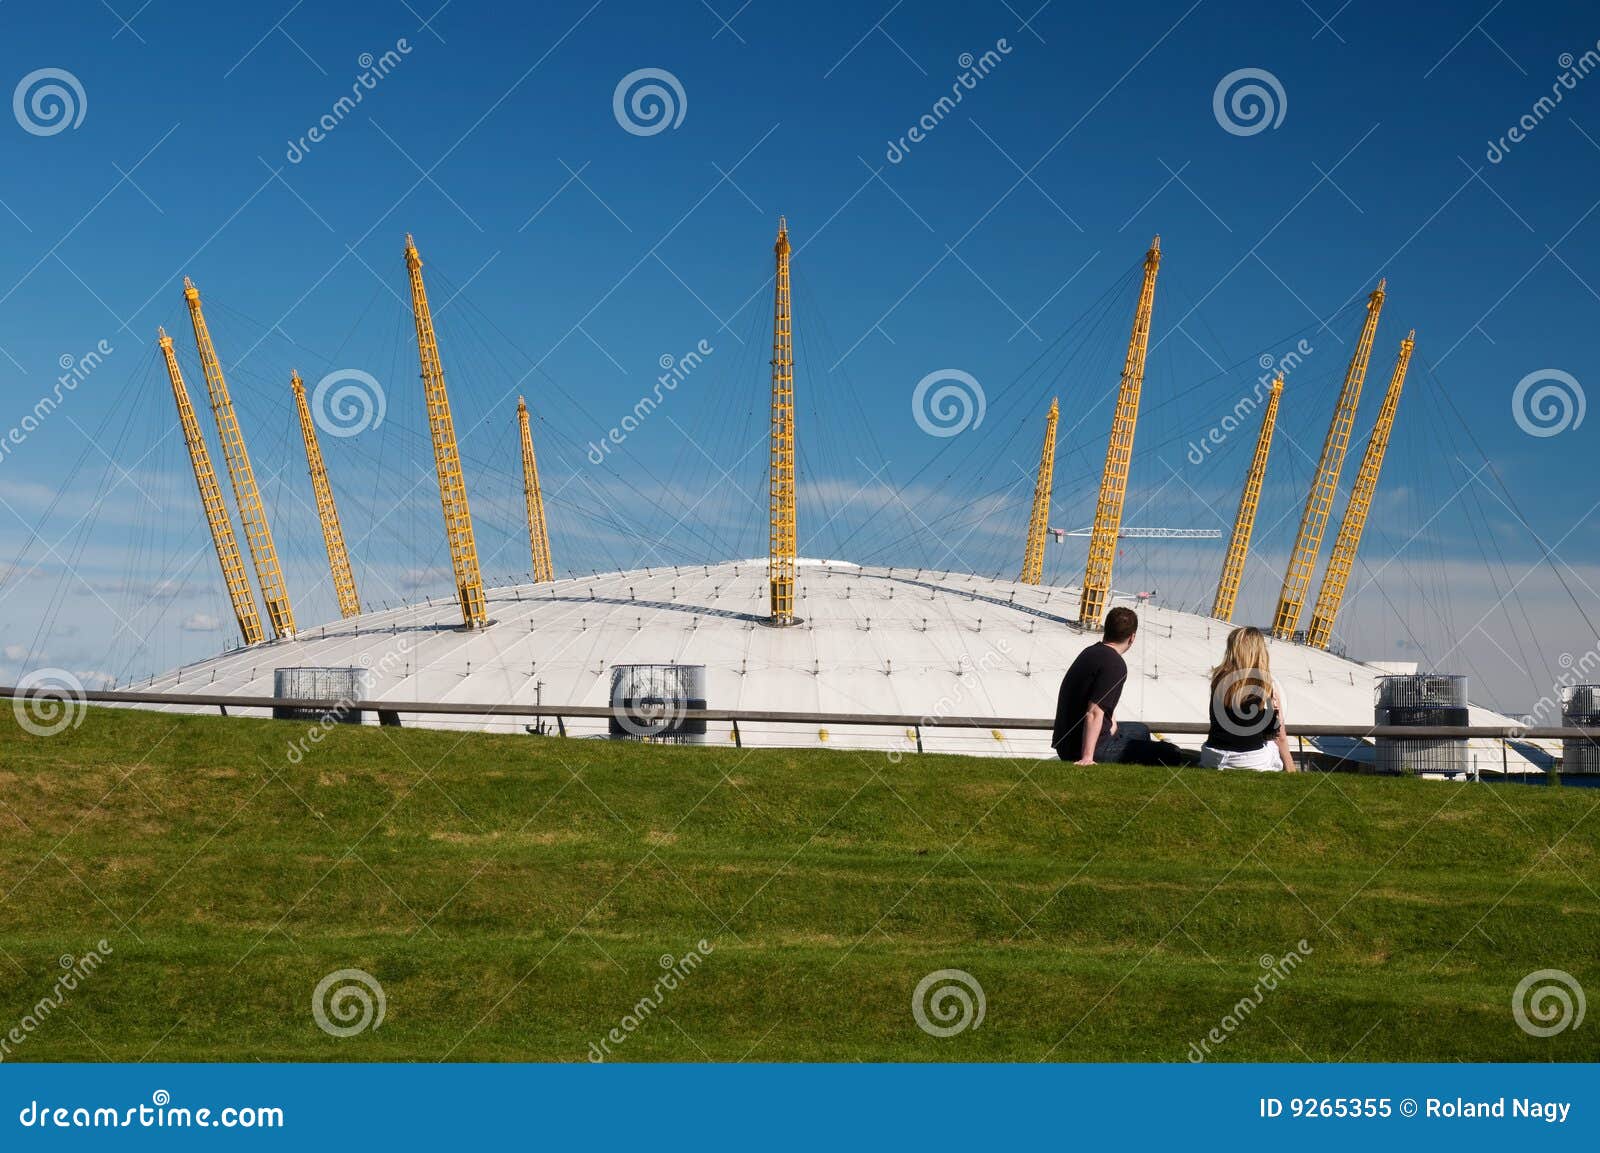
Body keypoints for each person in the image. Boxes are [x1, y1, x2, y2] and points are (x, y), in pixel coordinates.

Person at [1200, 626, 1298, 772]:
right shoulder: (1265, 684)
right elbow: (1280, 735)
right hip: (1248, 760)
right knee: (1272, 747)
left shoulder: (1218, 679)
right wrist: (1291, 767)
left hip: (1212, 756)